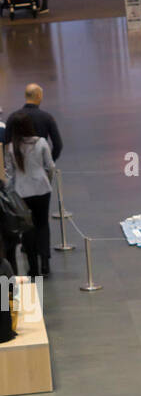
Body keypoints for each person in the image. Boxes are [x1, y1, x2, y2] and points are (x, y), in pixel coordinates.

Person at [4, 114, 54, 279]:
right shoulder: (41, 143)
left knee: (28, 229)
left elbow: (10, 174)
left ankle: (33, 267)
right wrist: (48, 181)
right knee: (42, 225)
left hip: (22, 192)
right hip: (42, 189)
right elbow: (50, 166)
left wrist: (10, 193)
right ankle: (45, 261)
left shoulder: (12, 147)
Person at [7, 84, 63, 163]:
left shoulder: (12, 117)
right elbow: (58, 145)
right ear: (38, 96)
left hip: (19, 166)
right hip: (40, 164)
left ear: (25, 96)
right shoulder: (47, 117)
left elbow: (6, 143)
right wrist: (49, 161)